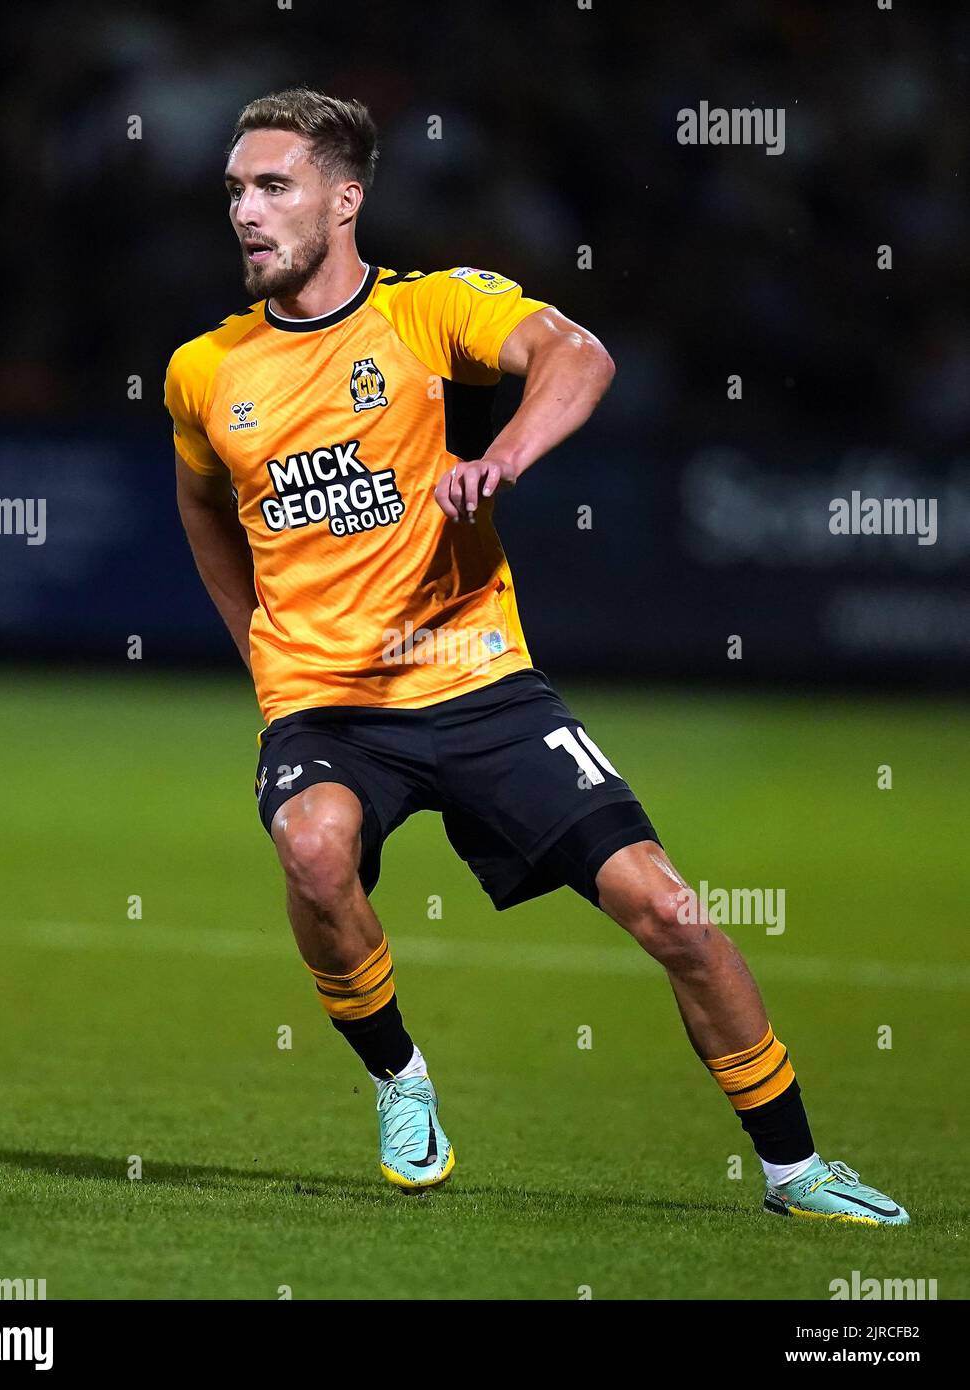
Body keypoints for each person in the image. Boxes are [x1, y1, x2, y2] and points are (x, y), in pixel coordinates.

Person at [166, 87, 907, 1223]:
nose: (247, 213)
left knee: (674, 914)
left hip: (478, 682)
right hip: (323, 703)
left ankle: (795, 1168)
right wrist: (263, 663)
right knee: (313, 847)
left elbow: (578, 355)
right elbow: (204, 514)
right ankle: (399, 1078)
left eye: (274, 186)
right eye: (235, 192)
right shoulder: (205, 370)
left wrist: (502, 458)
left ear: (345, 198)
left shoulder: (430, 312)